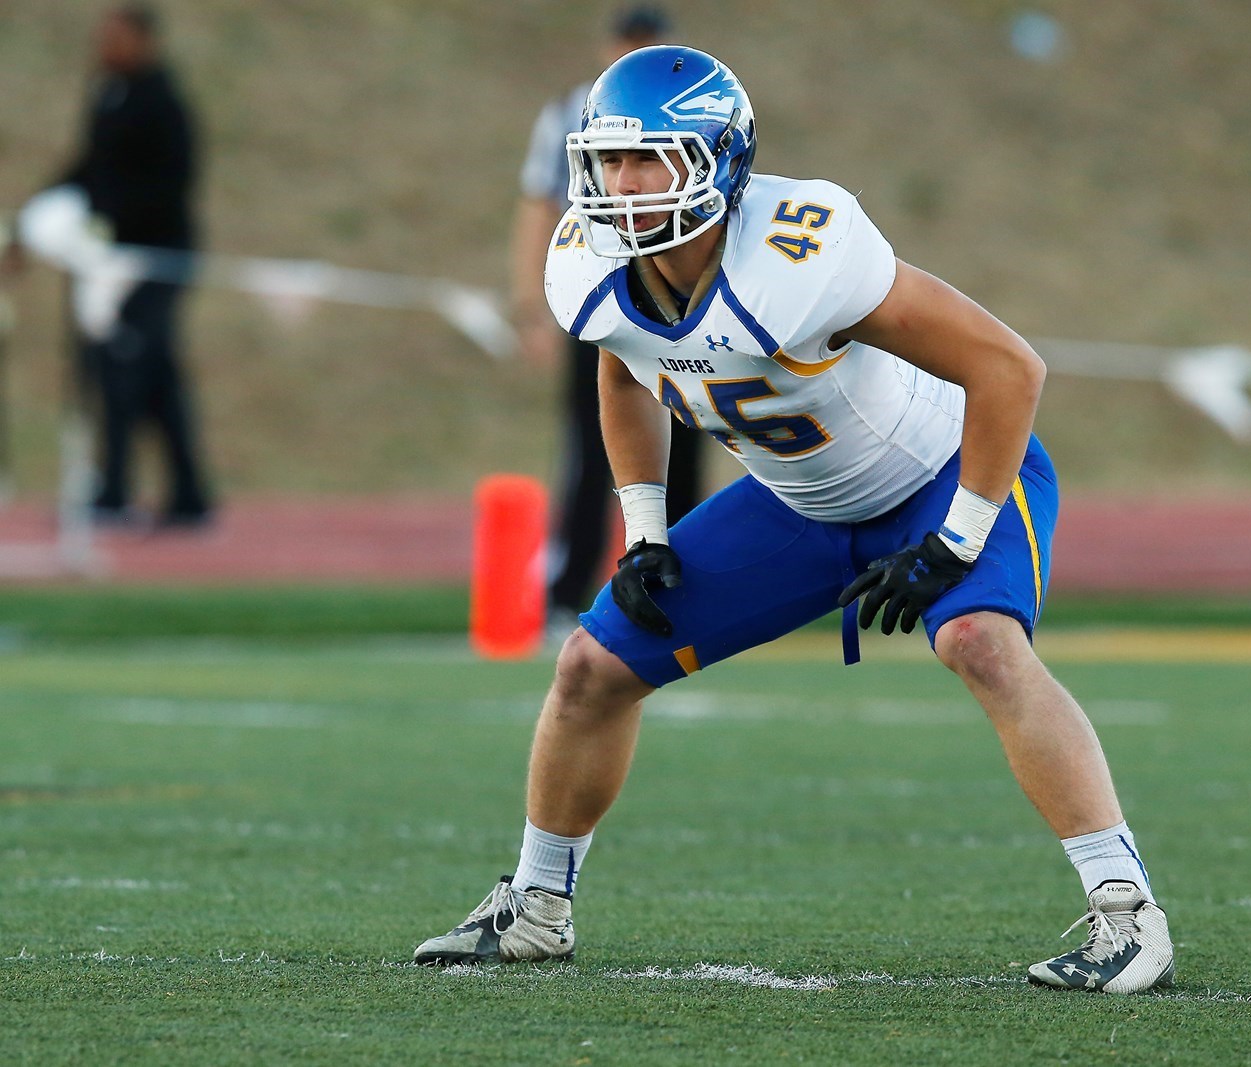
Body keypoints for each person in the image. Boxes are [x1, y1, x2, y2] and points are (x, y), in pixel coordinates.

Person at [414, 45, 1174, 995]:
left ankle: (1126, 916)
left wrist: (958, 537)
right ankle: (535, 907)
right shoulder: (596, 265)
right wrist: (645, 528)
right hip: (800, 502)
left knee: (980, 640)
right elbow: (622, 363)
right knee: (590, 668)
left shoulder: (798, 251)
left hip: (946, 472)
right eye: (609, 160)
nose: (622, 183)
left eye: (651, 157)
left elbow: (1009, 368)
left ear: (719, 162)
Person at [511, 7, 703, 636]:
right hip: (607, 295)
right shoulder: (571, 109)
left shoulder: (696, 107)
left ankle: (688, 577)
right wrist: (530, 300)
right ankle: (569, 590)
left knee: (693, 435)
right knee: (592, 445)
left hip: (684, 293)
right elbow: (542, 203)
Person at [55, 3, 213, 527]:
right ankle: (188, 494)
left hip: (155, 257)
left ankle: (117, 490)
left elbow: (170, 184)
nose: (106, 47)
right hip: (110, 261)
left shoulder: (163, 102)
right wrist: (45, 211)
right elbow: (89, 165)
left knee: (127, 365)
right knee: (152, 374)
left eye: (117, 38)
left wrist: (109, 219)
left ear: (144, 41)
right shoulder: (107, 94)